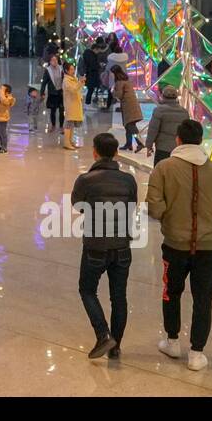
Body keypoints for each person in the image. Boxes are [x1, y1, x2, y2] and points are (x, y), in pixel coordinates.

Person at [145, 119, 212, 372]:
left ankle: (173, 340)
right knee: (203, 299)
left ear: (177, 139)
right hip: (208, 248)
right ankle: (197, 353)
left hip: (174, 245)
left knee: (171, 292)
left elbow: (154, 207)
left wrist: (170, 217)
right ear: (200, 140)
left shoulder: (163, 168)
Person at [72, 133, 138, 359]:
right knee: (118, 297)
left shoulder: (86, 180)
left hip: (95, 246)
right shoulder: (129, 180)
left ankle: (103, 335)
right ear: (116, 153)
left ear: (95, 152)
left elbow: (77, 205)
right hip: (122, 245)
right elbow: (132, 206)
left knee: (87, 289)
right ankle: (116, 347)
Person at [145, 84, 186, 165]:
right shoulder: (184, 112)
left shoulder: (159, 110)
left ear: (162, 96)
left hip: (162, 148)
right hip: (178, 149)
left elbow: (153, 130)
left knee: (160, 173)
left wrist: (149, 146)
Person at [112, 67, 144, 152]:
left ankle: (140, 143)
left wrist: (112, 91)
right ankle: (128, 144)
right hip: (133, 106)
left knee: (131, 127)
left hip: (128, 107)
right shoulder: (126, 81)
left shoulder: (119, 83)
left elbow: (119, 95)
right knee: (128, 126)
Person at [62, 60, 84, 150]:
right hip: (70, 105)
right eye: (71, 69)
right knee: (68, 124)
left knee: (71, 125)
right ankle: (66, 142)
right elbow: (73, 89)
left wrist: (80, 83)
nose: (73, 71)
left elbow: (77, 89)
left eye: (73, 69)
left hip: (75, 103)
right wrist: (80, 83)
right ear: (67, 71)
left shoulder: (72, 79)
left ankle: (70, 141)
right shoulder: (66, 80)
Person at [42, 53, 66, 133]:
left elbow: (65, 80)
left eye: (55, 60)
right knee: (53, 111)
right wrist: (42, 92)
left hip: (61, 93)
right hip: (52, 93)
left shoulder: (61, 69)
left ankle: (61, 126)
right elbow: (44, 82)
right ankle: (53, 125)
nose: (54, 61)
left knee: (62, 111)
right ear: (50, 61)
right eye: (52, 60)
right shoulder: (48, 70)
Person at [0, 84, 16, 154]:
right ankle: (1, 146)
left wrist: (1, 92)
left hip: (3, 118)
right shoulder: (0, 96)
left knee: (3, 133)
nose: (0, 90)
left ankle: (4, 148)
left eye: (2, 89)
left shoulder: (9, 97)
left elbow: (5, 102)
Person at [79, 40, 103, 107]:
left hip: (90, 75)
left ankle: (88, 102)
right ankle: (87, 103)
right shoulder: (91, 55)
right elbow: (93, 65)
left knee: (91, 89)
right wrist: (99, 65)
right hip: (91, 75)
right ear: (95, 49)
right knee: (90, 89)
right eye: (98, 50)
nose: (98, 52)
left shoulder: (87, 53)